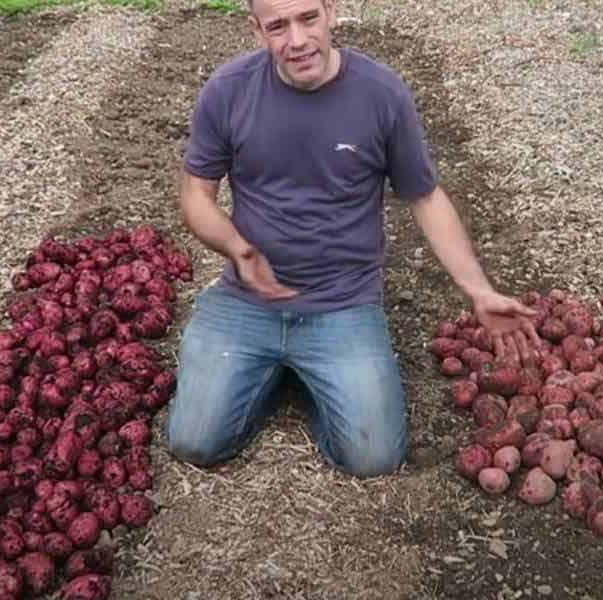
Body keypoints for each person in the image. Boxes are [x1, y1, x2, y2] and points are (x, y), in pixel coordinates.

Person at [166, 0, 540, 478]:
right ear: (257, 31)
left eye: (308, 18)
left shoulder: (380, 94)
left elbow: (425, 197)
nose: (297, 40)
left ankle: (301, 369)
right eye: (278, 26)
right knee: (194, 442)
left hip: (342, 303)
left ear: (332, 12)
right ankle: (273, 373)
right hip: (247, 301)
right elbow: (196, 195)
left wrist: (478, 289)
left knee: (375, 457)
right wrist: (239, 248)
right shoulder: (228, 90)